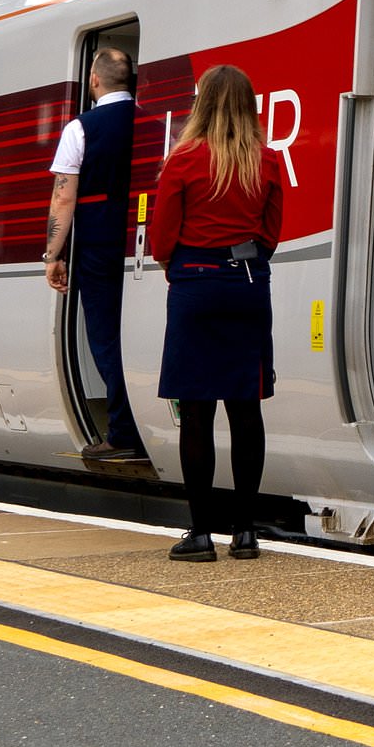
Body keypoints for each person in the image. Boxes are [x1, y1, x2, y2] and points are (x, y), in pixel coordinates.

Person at [150, 64, 284, 562]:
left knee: (197, 412)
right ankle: (246, 533)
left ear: (201, 103)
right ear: (250, 105)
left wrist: (182, 267)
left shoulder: (182, 160)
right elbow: (270, 235)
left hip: (195, 285)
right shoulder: (266, 161)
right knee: (246, 408)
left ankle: (201, 533)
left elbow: (163, 235)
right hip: (247, 284)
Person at [44, 47, 146, 462]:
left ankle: (123, 432)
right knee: (139, 335)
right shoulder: (153, 122)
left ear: (94, 81)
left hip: (100, 241)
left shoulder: (81, 127)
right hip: (145, 236)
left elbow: (64, 198)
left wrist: (53, 254)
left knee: (106, 338)